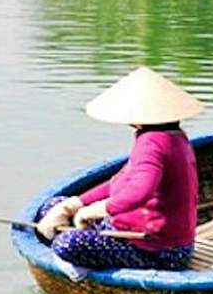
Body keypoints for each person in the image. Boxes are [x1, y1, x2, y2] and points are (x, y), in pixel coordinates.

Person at [35, 67, 202, 270]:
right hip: (143, 234)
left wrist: (92, 212)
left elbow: (139, 192)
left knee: (66, 244)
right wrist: (74, 205)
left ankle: (80, 268)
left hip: (157, 251)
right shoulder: (172, 137)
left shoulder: (152, 143)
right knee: (52, 206)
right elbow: (121, 181)